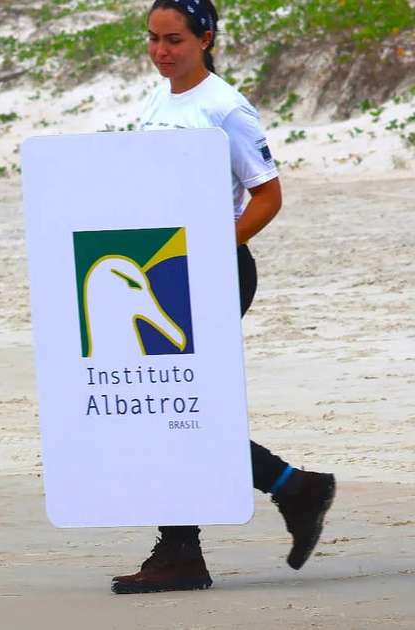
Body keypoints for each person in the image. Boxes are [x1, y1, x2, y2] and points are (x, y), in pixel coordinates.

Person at [111, 0, 337, 595]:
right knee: (167, 405)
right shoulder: (159, 99)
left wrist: (209, 250)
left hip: (214, 271)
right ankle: (289, 488)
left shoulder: (226, 107)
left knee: (170, 407)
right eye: (153, 40)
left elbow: (267, 196)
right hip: (163, 272)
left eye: (174, 41)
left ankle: (191, 546)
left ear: (206, 38)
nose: (161, 52)